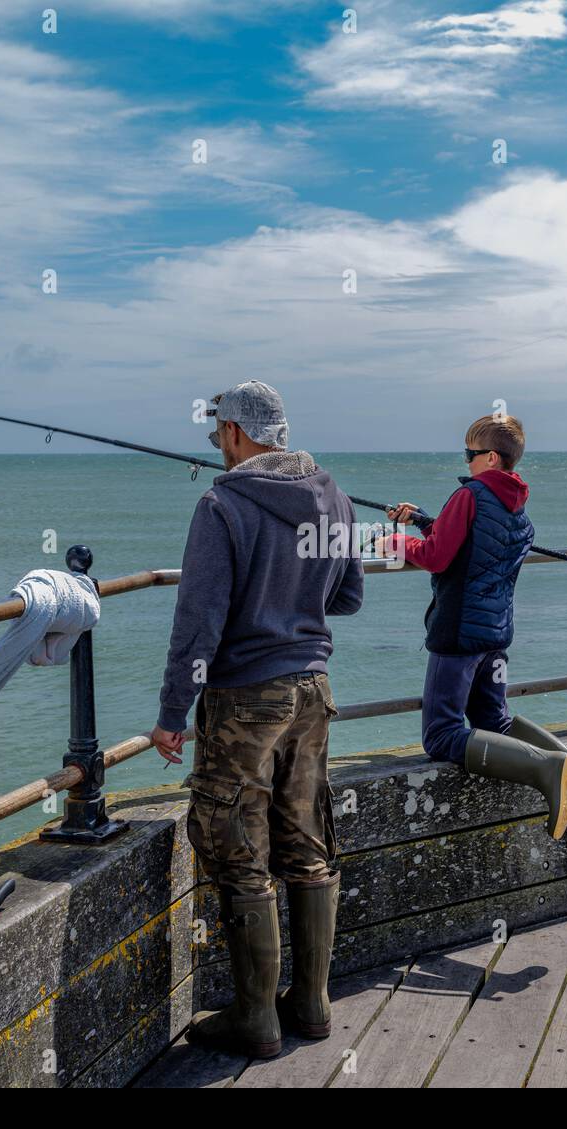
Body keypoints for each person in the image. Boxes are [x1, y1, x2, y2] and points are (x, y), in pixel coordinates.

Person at [151, 380, 363, 1059]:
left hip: (246, 697)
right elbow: (349, 595)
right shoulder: (335, 497)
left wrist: (170, 715)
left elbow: (198, 623)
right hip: (313, 690)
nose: (217, 444)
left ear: (238, 433)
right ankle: (311, 1004)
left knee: (235, 844)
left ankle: (256, 1020)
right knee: (306, 838)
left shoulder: (222, 504)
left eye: (218, 433)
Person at [379, 413, 567, 840]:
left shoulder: (470, 495)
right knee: (494, 721)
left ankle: (550, 767)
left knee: (442, 734)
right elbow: (476, 541)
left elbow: (437, 557)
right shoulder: (514, 502)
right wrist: (427, 521)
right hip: (495, 633)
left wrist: (392, 542)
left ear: (493, 458)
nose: (466, 461)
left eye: (471, 454)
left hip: (458, 633)